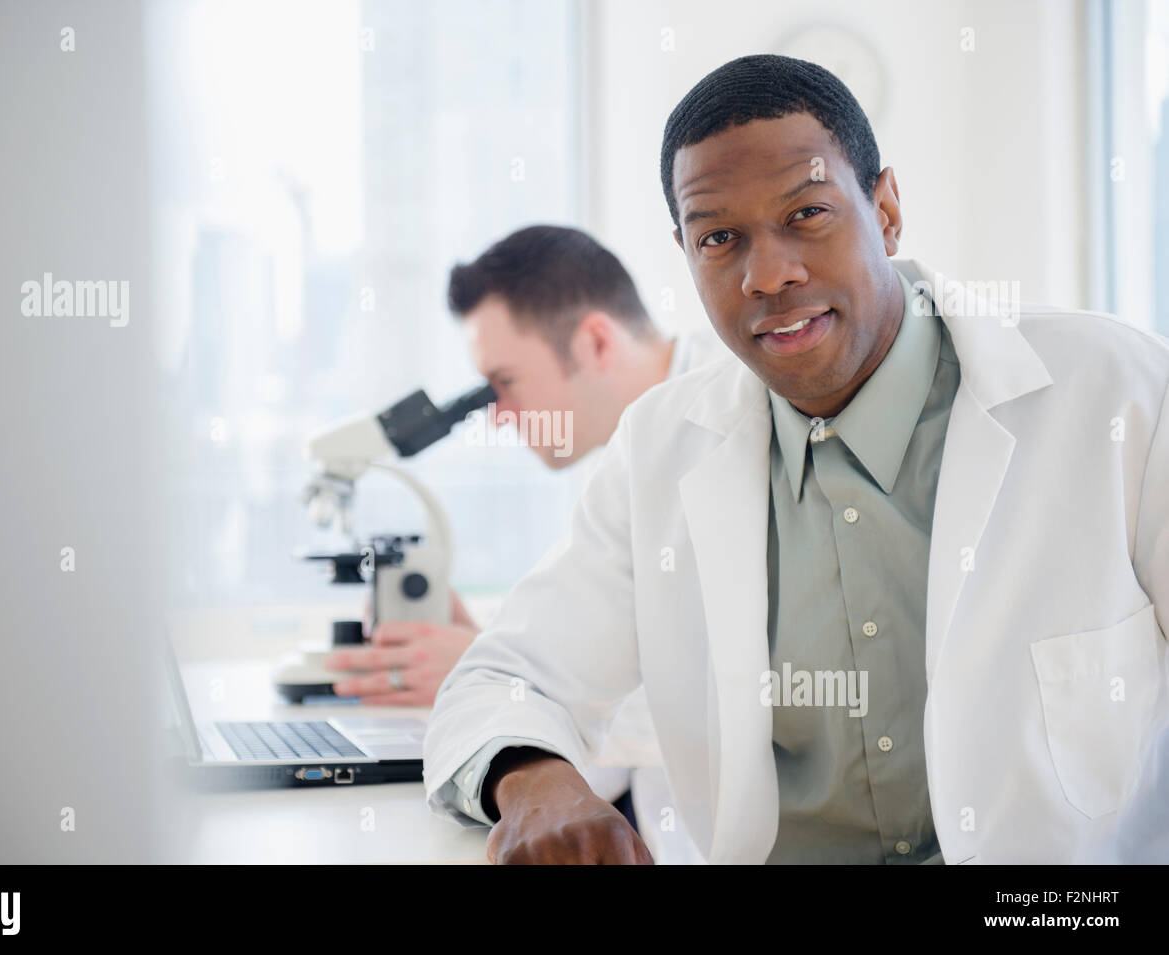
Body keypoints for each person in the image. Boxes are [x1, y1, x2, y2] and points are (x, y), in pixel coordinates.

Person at [422, 54, 1169, 864]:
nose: (768, 273)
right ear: (686, 251)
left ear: (884, 209)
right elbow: (502, 678)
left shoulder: (1119, 396)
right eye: (719, 237)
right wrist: (538, 780)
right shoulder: (659, 450)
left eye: (807, 213)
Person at [323, 225, 726, 863]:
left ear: (595, 341)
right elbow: (612, 668)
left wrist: (516, 695)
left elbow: (738, 702)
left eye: (504, 383)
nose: (499, 415)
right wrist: (496, 661)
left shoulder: (727, 419)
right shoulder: (625, 461)